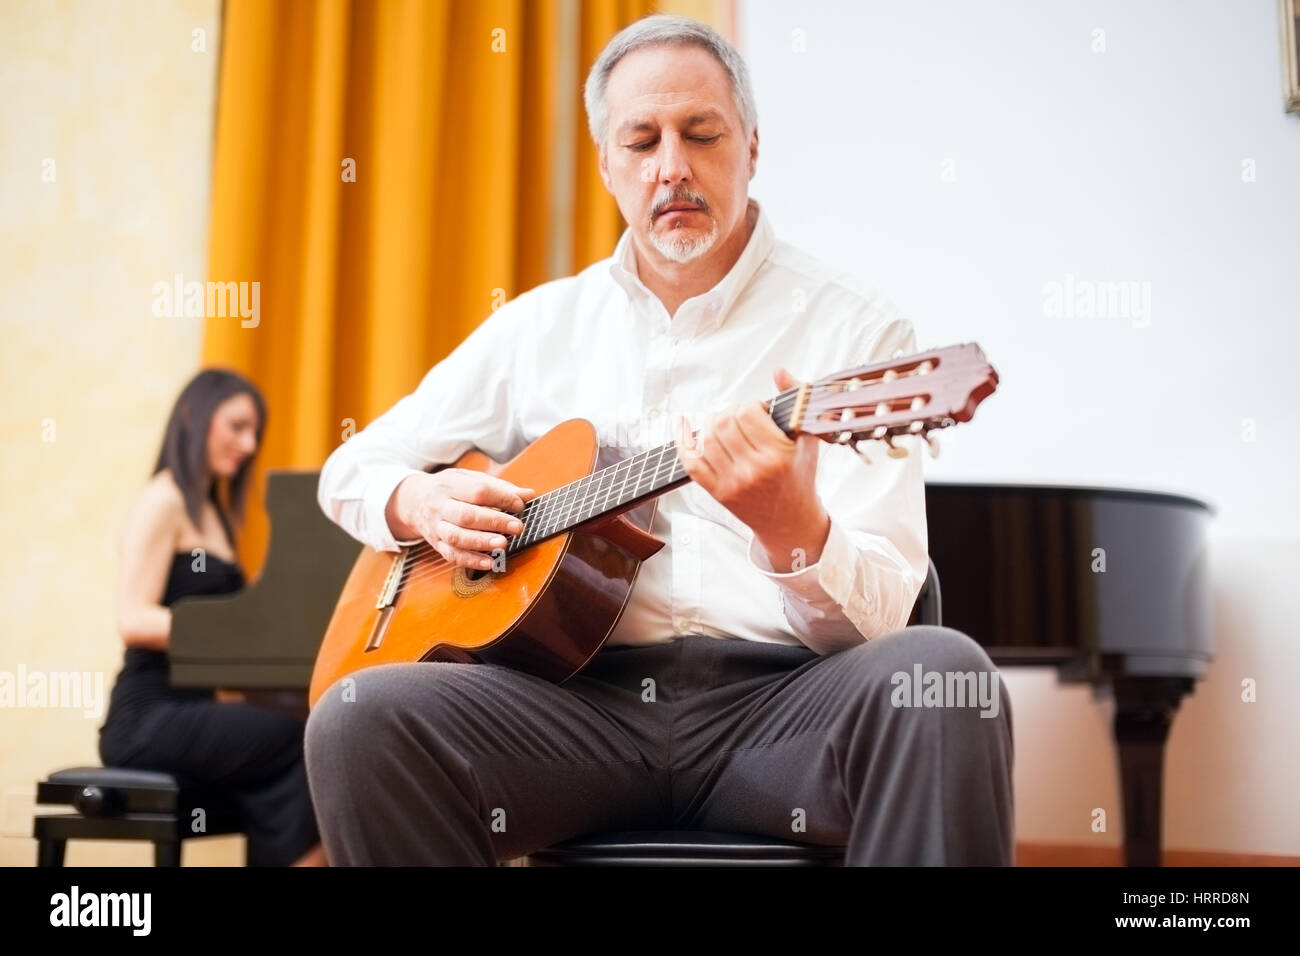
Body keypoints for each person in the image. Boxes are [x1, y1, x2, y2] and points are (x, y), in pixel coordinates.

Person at [305, 14, 1014, 865]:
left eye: (701, 133)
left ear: (752, 146)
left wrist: (794, 532)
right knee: (357, 720)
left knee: (942, 679)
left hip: (782, 709)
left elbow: (889, 610)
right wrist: (417, 499)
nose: (671, 166)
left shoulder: (856, 330)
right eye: (641, 141)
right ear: (607, 164)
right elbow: (350, 468)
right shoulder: (537, 328)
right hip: (572, 717)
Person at [98, 368, 324, 867]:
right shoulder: (164, 498)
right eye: (237, 426)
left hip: (188, 710)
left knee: (319, 727)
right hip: (147, 718)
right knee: (298, 741)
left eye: (255, 433)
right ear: (192, 416)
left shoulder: (212, 513)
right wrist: (236, 632)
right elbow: (133, 619)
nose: (248, 443)